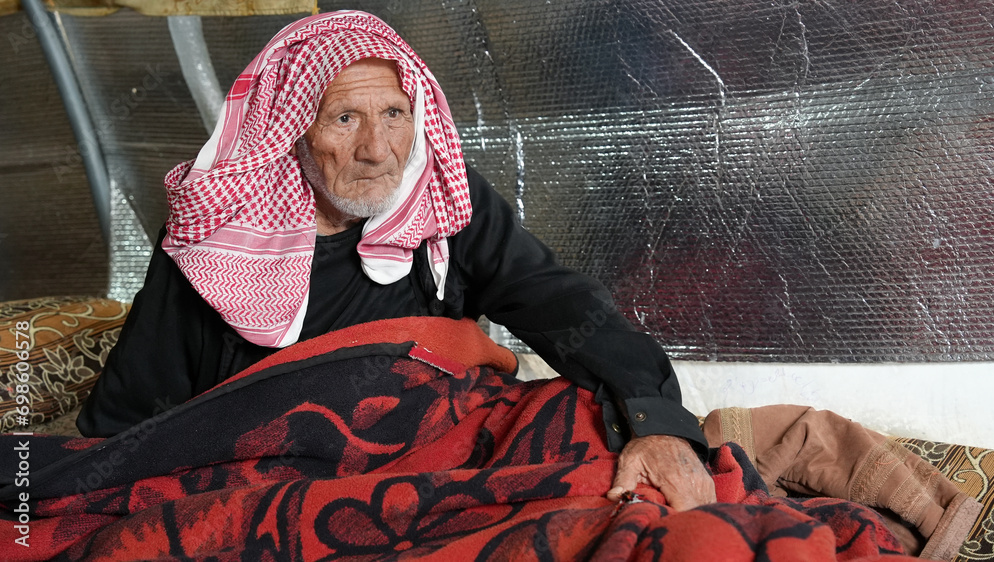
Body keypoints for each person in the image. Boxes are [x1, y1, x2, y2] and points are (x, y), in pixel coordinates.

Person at [78, 10, 716, 511]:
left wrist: (653, 419)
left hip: (441, 459)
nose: (376, 148)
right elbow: (129, 426)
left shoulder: (442, 199)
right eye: (344, 118)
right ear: (294, 132)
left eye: (393, 114)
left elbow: (562, 303)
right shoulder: (213, 244)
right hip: (288, 491)